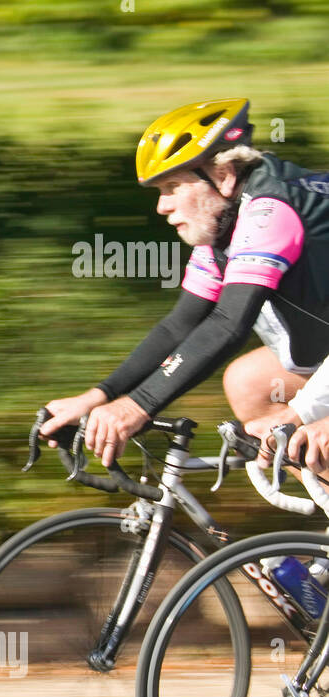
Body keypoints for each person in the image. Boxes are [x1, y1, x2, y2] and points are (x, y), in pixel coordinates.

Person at [40, 98, 329, 464]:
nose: (162, 206)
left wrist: (137, 407)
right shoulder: (226, 225)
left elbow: (228, 323)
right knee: (250, 383)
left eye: (173, 186)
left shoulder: (270, 212)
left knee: (309, 425)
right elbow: (181, 326)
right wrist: (98, 396)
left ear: (223, 177)